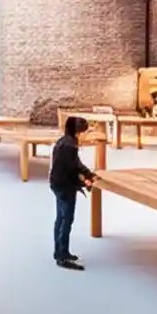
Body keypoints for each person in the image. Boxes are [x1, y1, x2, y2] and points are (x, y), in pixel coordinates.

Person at [49, 116, 97, 270]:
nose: (86, 135)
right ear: (78, 132)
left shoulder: (65, 141)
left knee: (60, 219)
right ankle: (62, 257)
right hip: (64, 186)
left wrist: (89, 174)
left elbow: (76, 164)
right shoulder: (70, 146)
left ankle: (61, 251)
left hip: (57, 184)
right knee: (65, 220)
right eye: (85, 132)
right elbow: (71, 171)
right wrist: (84, 183)